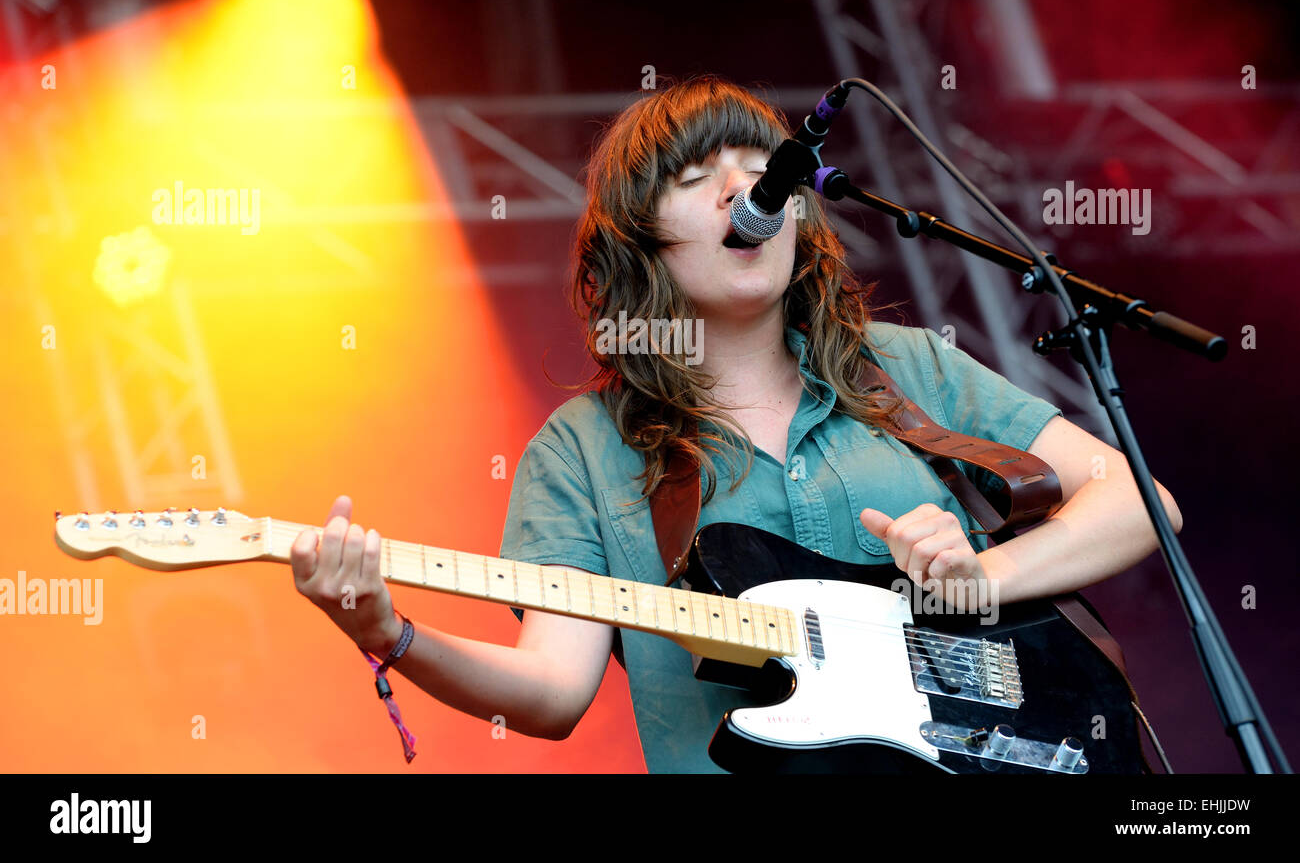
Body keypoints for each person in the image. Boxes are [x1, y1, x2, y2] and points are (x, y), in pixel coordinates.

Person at [289, 75, 1183, 772]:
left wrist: (980, 575)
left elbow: (1141, 502)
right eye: (695, 178)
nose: (741, 191)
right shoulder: (583, 452)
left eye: (761, 174)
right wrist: (387, 632)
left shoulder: (910, 367)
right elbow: (552, 692)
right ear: (639, 244)